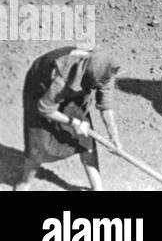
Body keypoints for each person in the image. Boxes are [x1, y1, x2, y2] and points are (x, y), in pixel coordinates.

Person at [17, 48, 122, 191]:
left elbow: (106, 105)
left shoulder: (105, 70)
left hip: (74, 87)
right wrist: (74, 123)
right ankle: (24, 182)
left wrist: (113, 136)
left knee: (86, 141)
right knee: (38, 143)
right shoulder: (60, 77)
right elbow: (44, 108)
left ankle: (98, 188)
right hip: (42, 87)